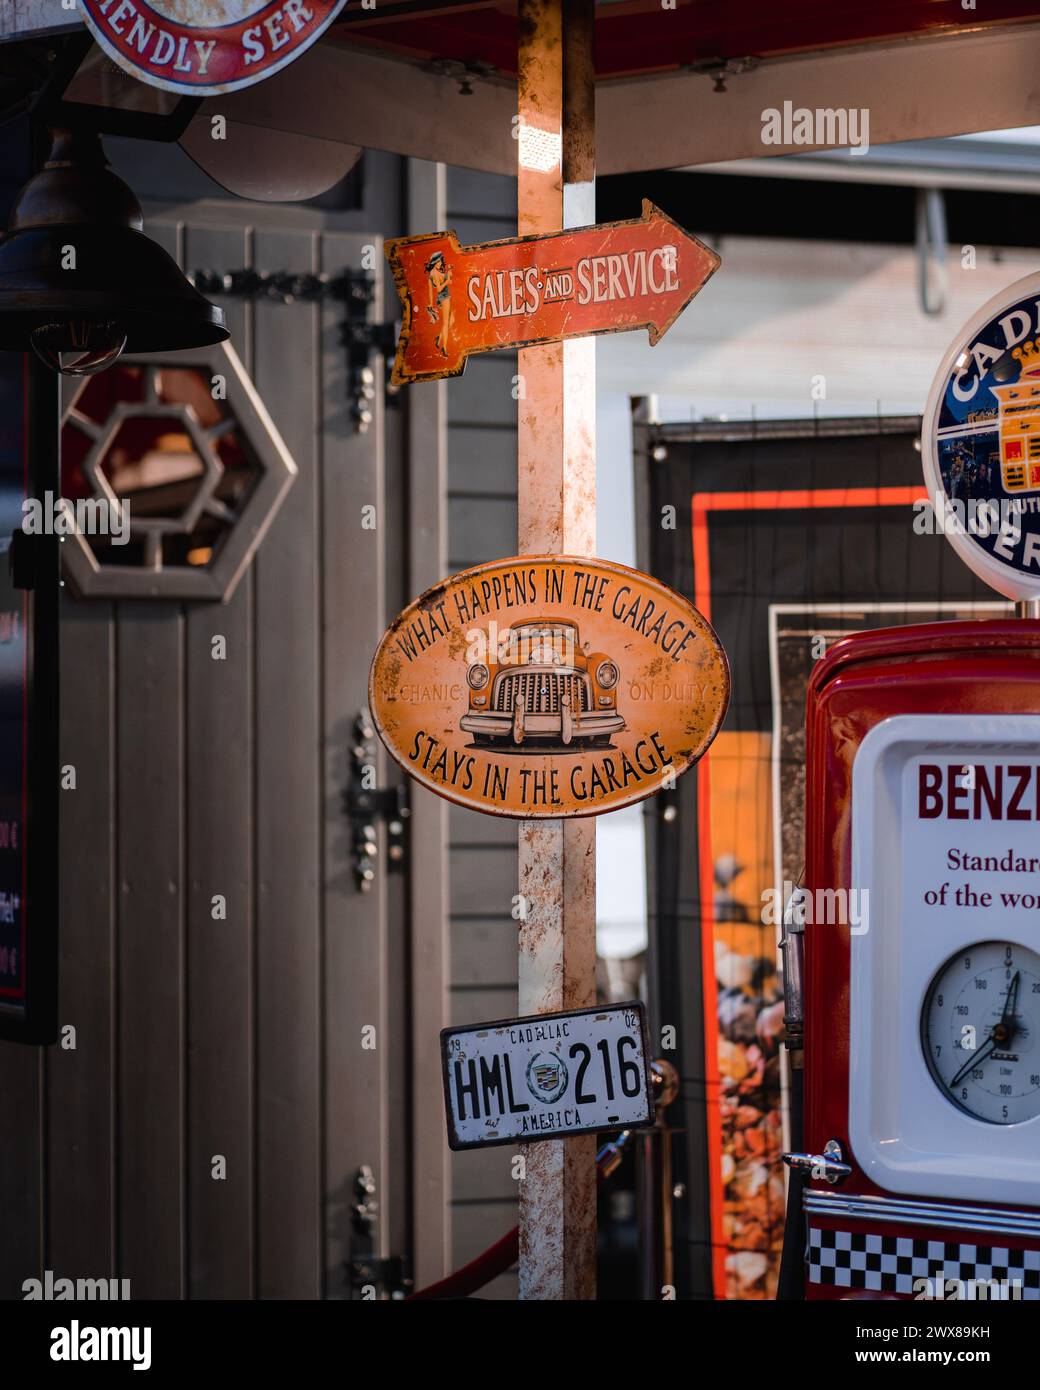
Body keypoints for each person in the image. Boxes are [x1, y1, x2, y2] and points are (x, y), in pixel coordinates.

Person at [425, 251, 453, 359]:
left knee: (451, 321)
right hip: (444, 297)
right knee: (446, 323)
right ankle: (444, 348)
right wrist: (447, 282)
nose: (441, 262)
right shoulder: (434, 274)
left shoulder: (434, 273)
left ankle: (439, 338)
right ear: (436, 262)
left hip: (445, 297)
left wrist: (449, 271)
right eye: (440, 261)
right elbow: (439, 289)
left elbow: (430, 291)